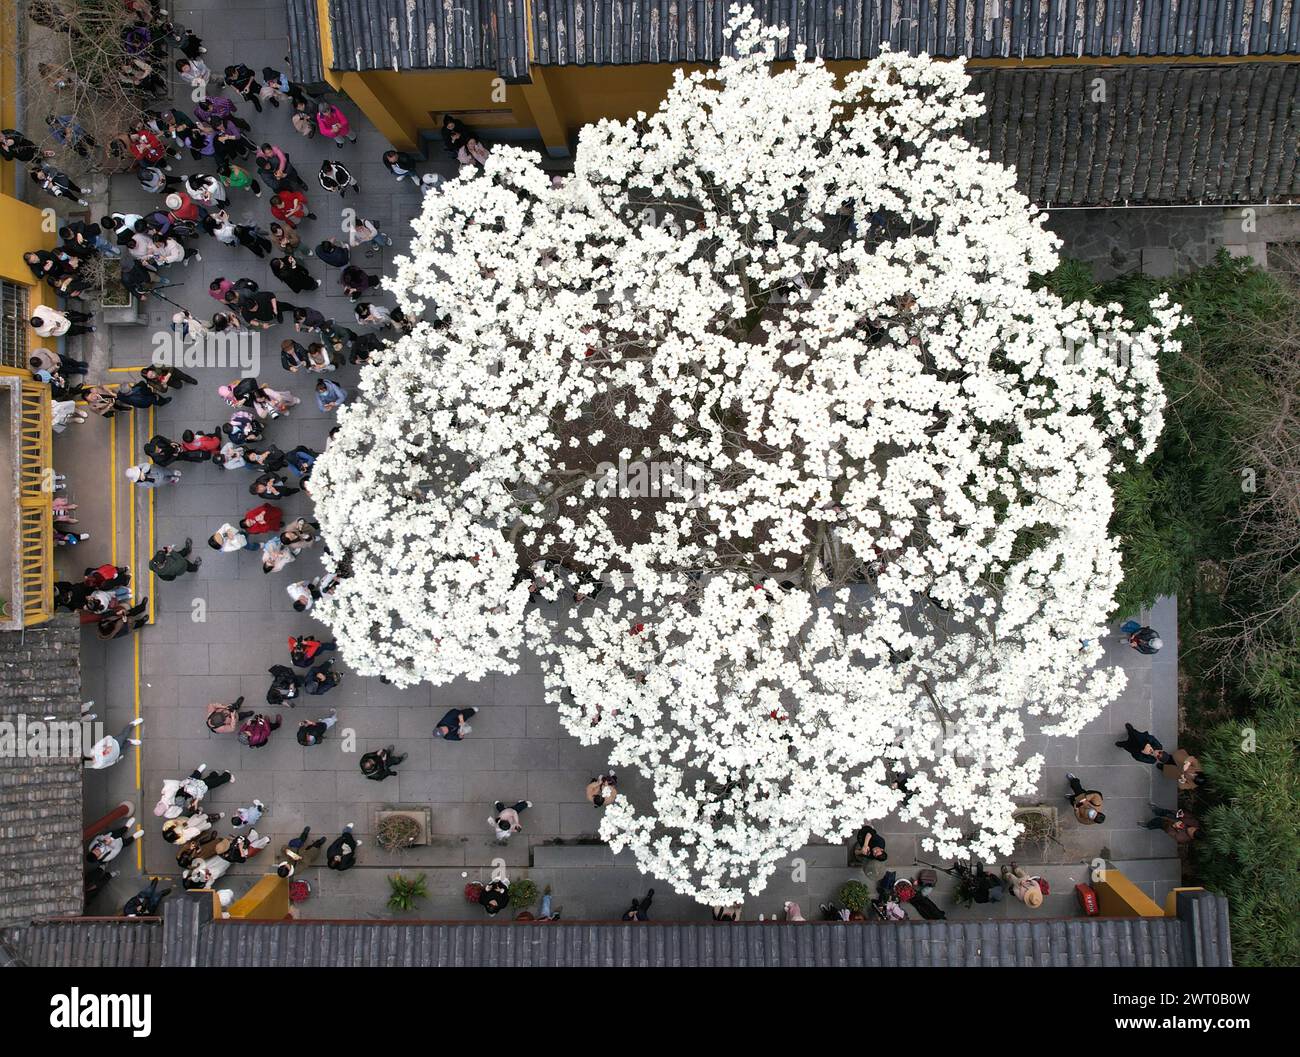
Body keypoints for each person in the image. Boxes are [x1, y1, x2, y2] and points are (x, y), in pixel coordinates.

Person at [29, 304, 95, 338]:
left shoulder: (39, 309)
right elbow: (49, 334)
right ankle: (88, 329)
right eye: (42, 324)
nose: (43, 322)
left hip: (61, 317)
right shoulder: (40, 332)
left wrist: (59, 313)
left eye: (42, 320)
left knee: (77, 316)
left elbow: (50, 310)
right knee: (77, 330)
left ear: (39, 317)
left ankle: (87, 317)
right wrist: (53, 329)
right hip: (62, 329)